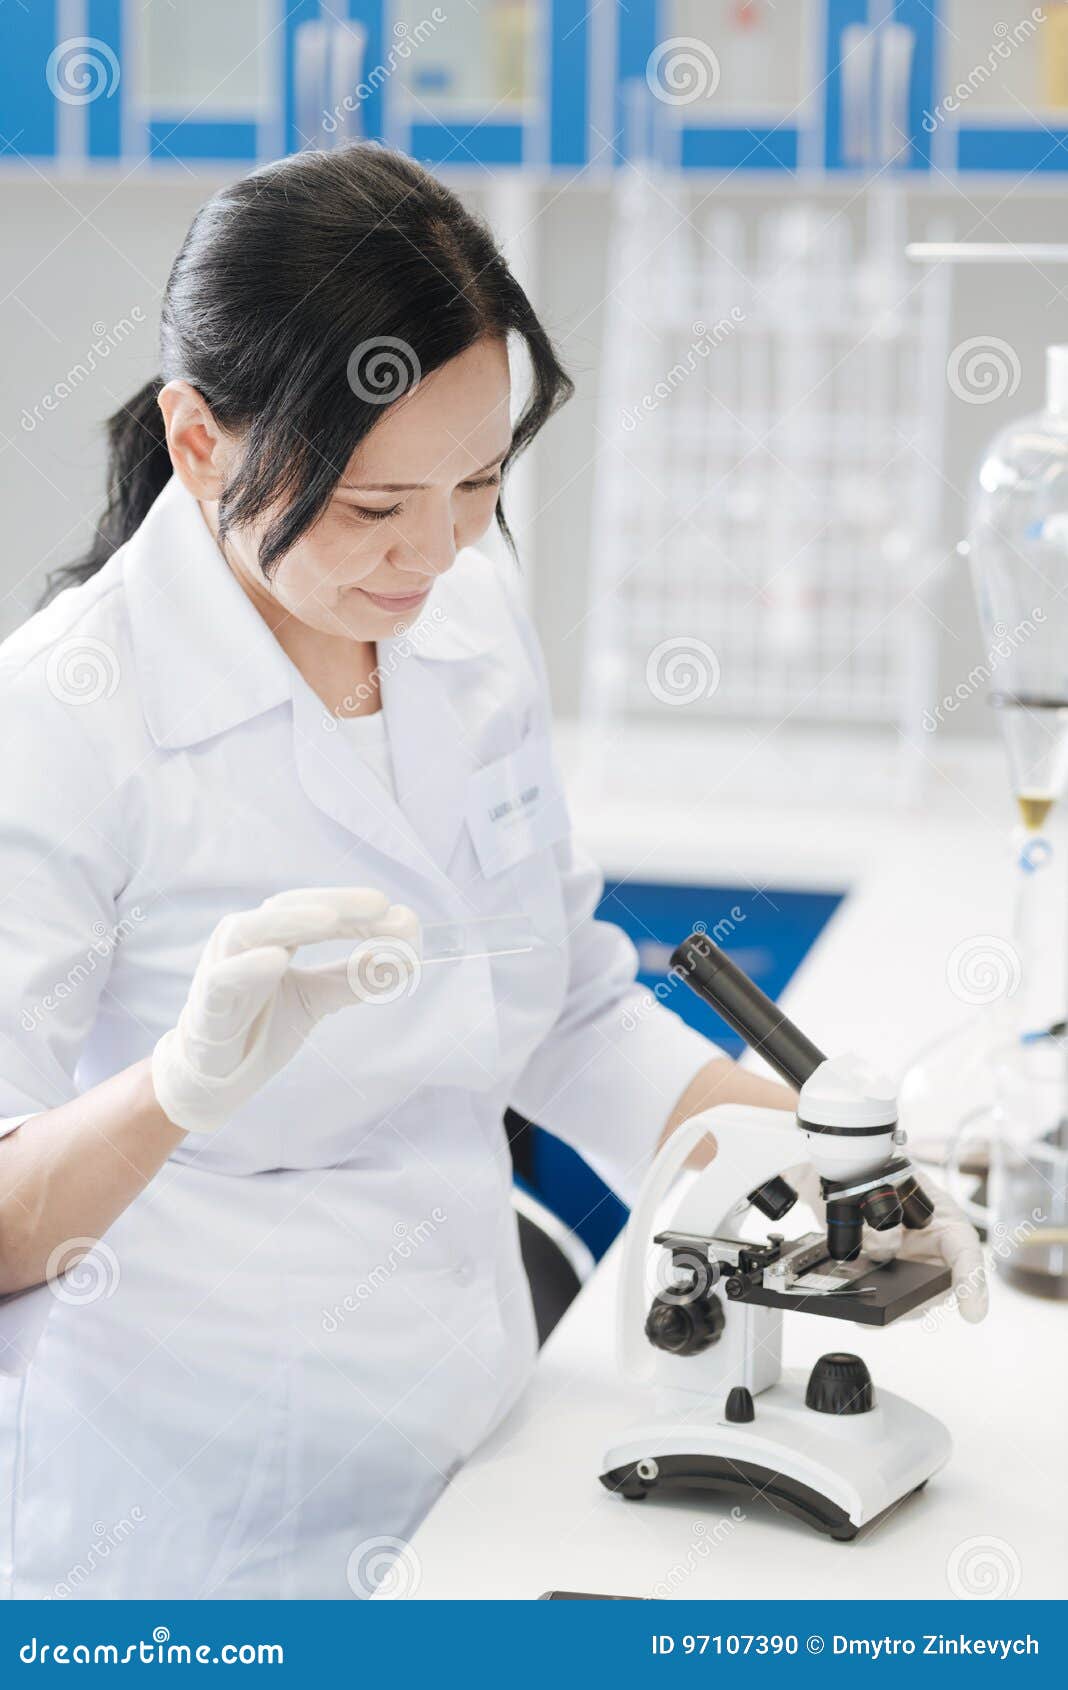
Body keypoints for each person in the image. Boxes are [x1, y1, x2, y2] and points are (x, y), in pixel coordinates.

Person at [0, 145, 984, 1600]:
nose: (436, 549)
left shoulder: (462, 611)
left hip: (475, 1454)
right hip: (190, 1527)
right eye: (372, 507)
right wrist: (176, 1093)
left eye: (475, 479)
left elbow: (566, 1011)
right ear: (199, 440)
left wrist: (834, 1162)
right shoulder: (63, 718)